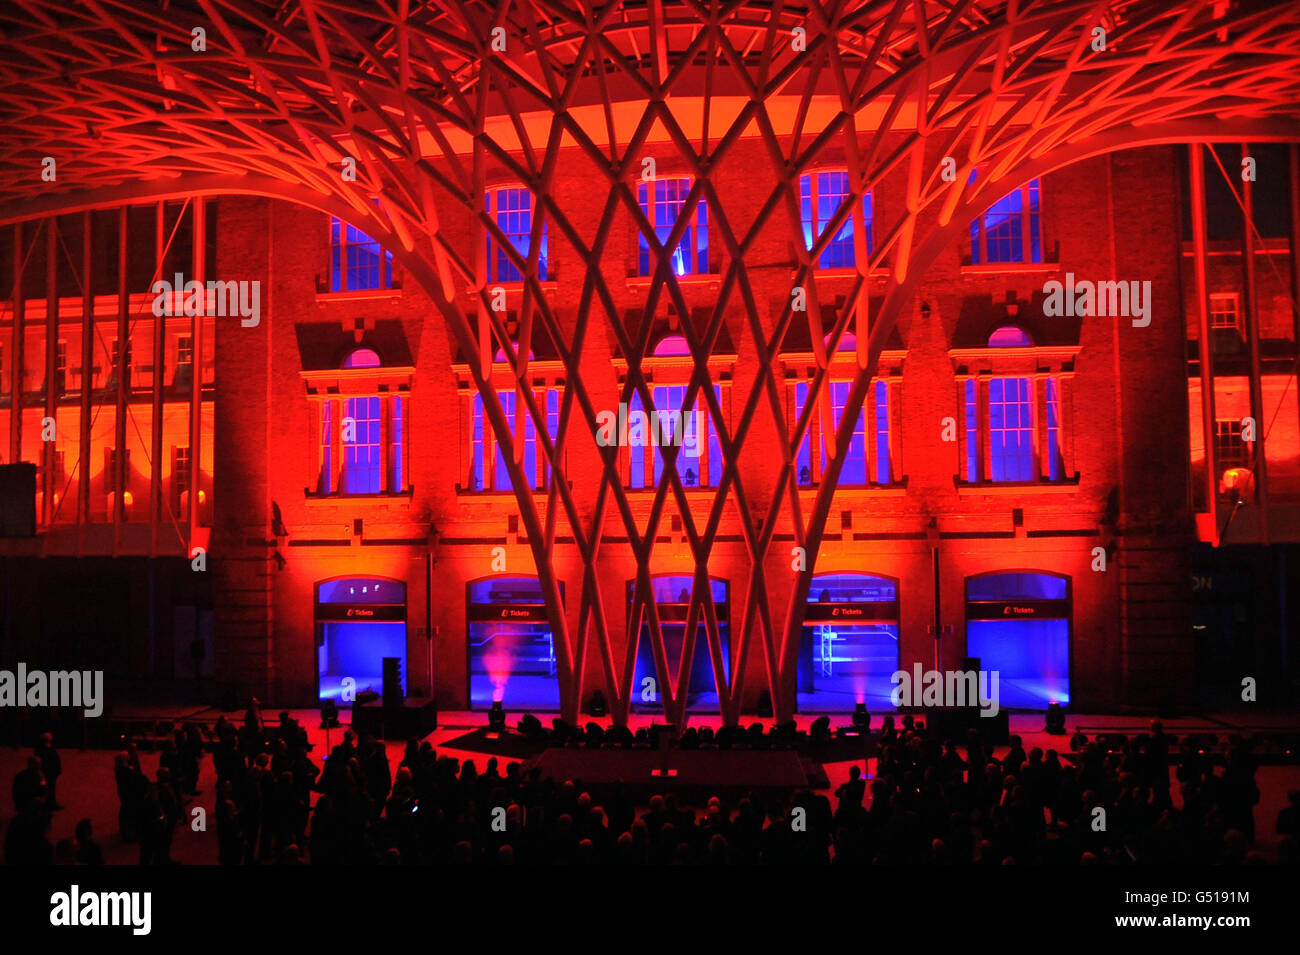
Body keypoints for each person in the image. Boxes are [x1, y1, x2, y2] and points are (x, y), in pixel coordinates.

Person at [35, 733, 63, 810]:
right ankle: (48, 804)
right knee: (47, 789)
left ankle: (51, 803)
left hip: (52, 772)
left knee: (51, 788)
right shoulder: (43, 749)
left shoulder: (47, 748)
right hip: (48, 772)